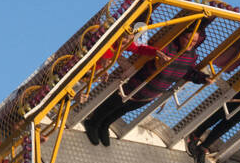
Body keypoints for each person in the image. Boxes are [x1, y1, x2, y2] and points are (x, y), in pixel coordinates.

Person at [82, 27, 215, 147]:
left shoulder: (191, 56)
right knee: (114, 104)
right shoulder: (169, 46)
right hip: (139, 85)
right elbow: (152, 54)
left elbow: (188, 72)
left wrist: (203, 78)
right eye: (188, 38)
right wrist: (159, 56)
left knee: (125, 110)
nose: (191, 42)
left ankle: (105, 124)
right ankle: (94, 122)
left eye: (194, 41)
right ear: (181, 36)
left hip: (152, 93)